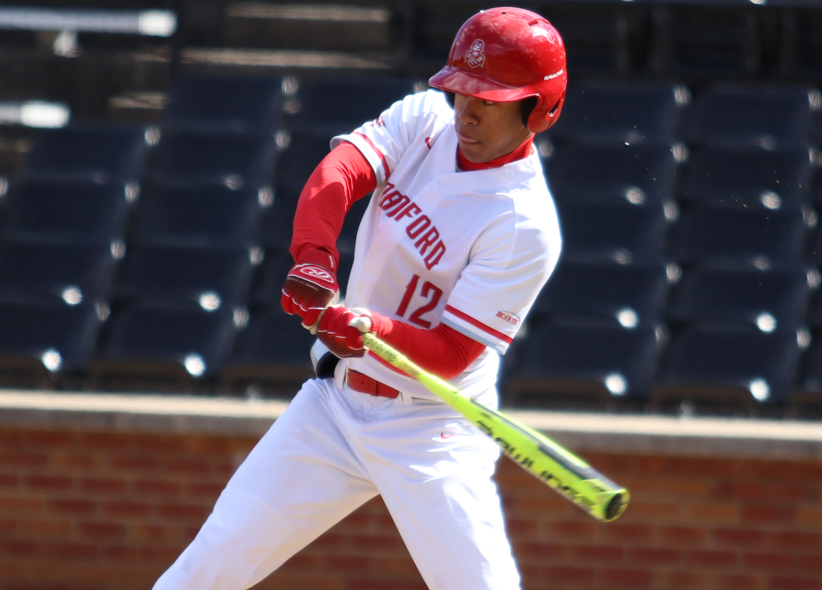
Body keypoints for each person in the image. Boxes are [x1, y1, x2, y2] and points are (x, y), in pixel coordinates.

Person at [153, 7, 566, 589]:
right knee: (208, 565)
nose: (467, 110)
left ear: (539, 108)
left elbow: (451, 353)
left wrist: (368, 328)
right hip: (336, 405)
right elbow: (337, 174)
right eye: (461, 90)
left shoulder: (525, 224)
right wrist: (315, 263)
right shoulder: (426, 117)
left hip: (430, 426)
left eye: (492, 98)